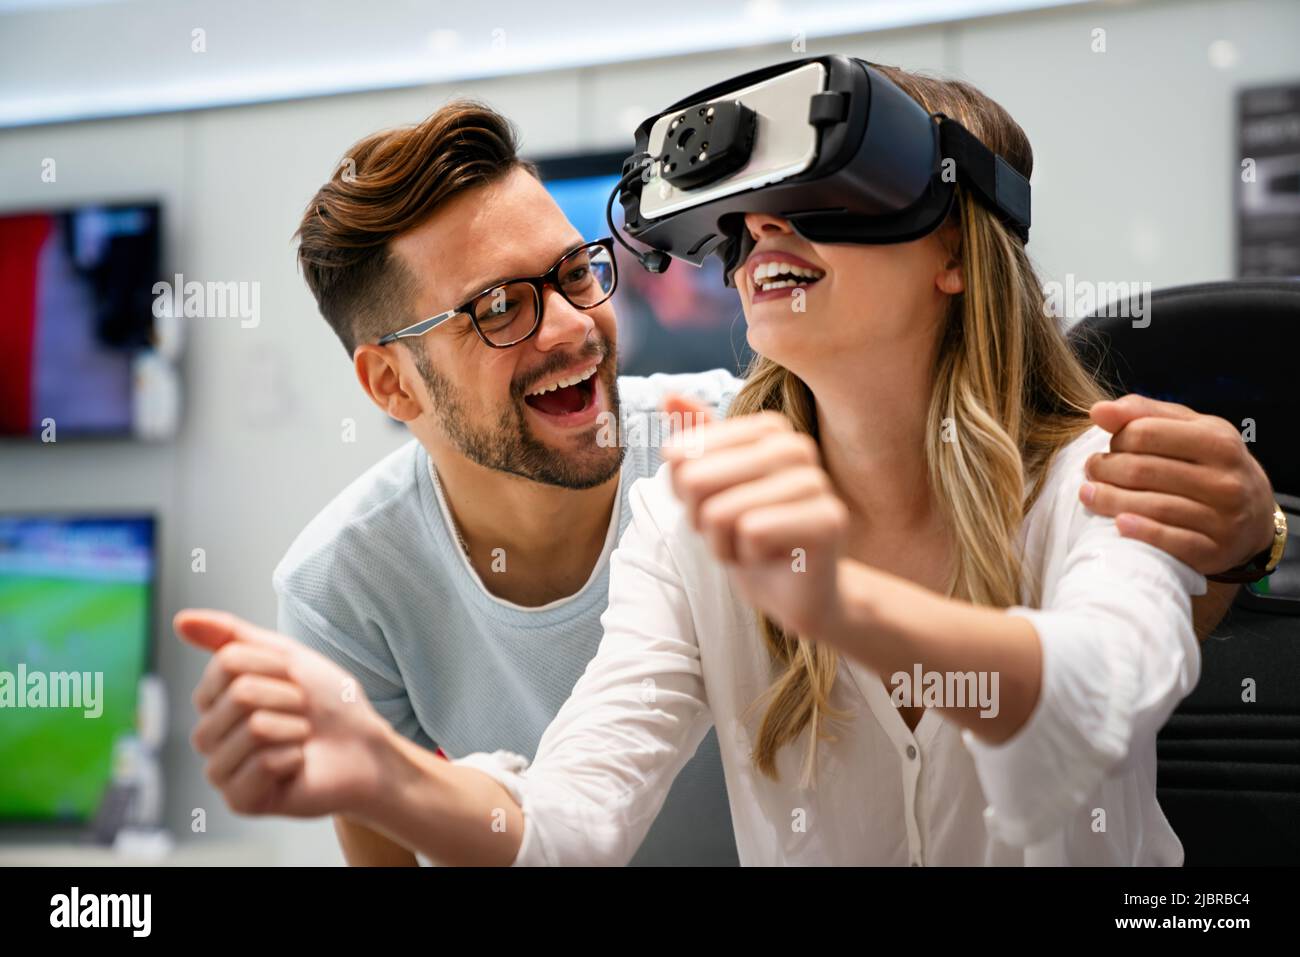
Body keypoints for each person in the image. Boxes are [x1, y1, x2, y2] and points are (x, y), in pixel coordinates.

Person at [180, 76, 1279, 865]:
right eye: (501, 309)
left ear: (953, 248)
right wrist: (382, 775)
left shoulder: (1097, 472)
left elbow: (1098, 694)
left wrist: (1261, 536)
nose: (759, 235)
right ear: (389, 384)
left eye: (574, 273)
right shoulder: (692, 514)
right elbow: (571, 821)